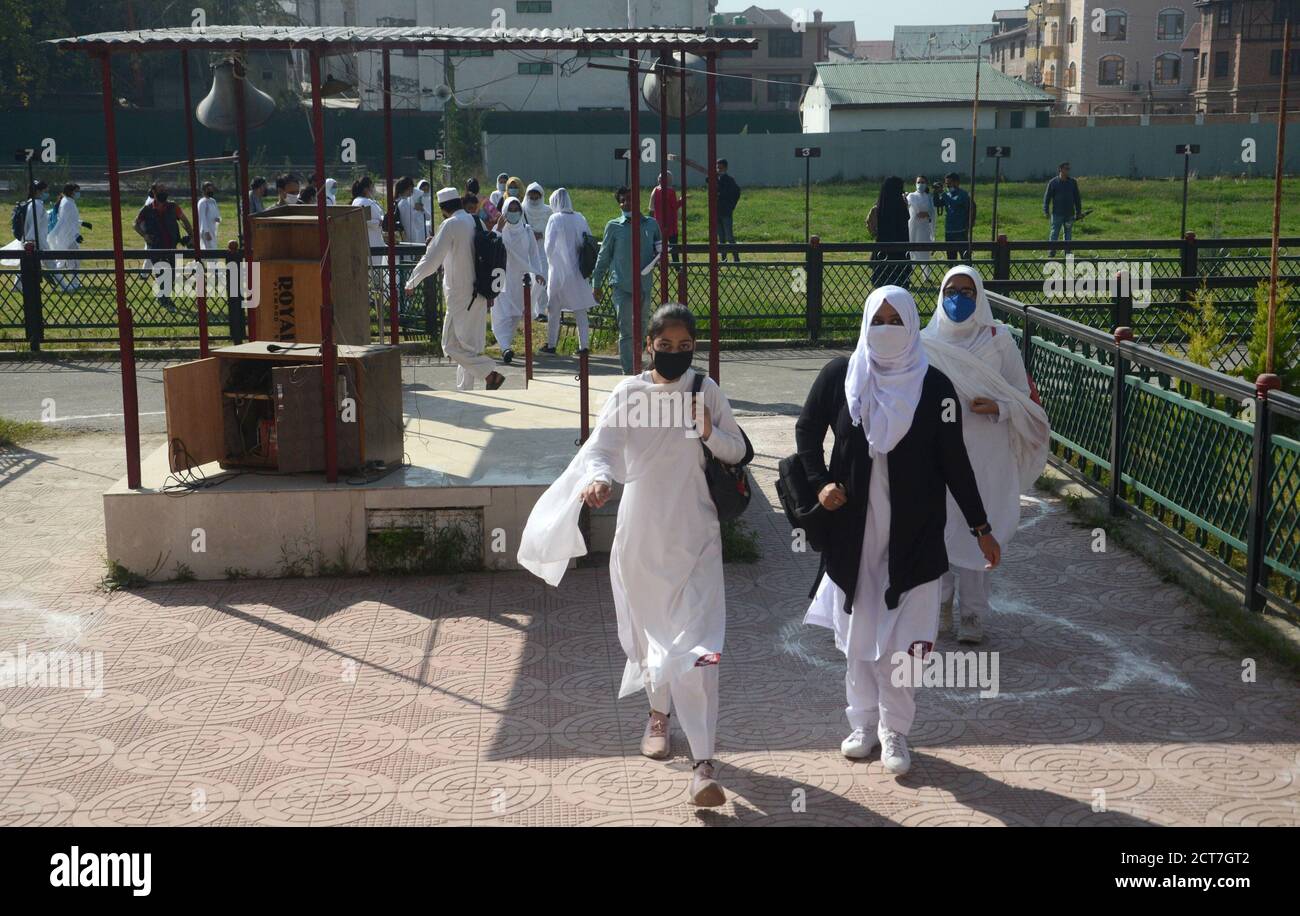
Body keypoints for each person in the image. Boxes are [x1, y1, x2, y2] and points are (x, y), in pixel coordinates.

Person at [518, 303, 749, 807]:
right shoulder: (628, 392)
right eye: (664, 346)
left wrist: (709, 430)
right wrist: (598, 481)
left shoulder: (703, 389)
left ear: (695, 346)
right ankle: (658, 717)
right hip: (641, 539)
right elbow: (601, 448)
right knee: (648, 639)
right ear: (647, 345)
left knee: (699, 647)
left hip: (697, 538)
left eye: (684, 346)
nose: (673, 354)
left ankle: (704, 762)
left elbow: (738, 451)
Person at [796, 285, 1000, 776]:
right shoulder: (841, 377)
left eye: (896, 319)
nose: (887, 328)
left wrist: (981, 527)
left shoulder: (934, 388)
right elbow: (806, 429)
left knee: (906, 642)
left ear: (911, 324)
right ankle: (862, 723)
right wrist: (821, 483)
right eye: (878, 319)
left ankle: (895, 731)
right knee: (860, 634)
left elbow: (956, 463)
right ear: (866, 322)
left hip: (915, 536)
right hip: (854, 535)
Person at [920, 266, 1050, 643]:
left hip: (986, 453)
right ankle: (939, 605)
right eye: (951, 290)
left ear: (979, 298)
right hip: (937, 454)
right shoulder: (925, 342)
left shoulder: (998, 340)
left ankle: (973, 615)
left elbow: (1023, 399)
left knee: (978, 530)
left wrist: (997, 407)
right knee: (939, 529)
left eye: (966, 291)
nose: (958, 298)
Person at [403, 187, 505, 391]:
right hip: (480, 292)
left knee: (450, 345)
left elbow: (432, 259)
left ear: (443, 209)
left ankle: (489, 374)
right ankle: (466, 389)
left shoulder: (450, 225)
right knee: (469, 347)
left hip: (460, 295)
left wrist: (412, 281)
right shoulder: (476, 221)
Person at [592, 186, 662, 374]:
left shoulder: (651, 224)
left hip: (644, 286)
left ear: (638, 200)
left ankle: (638, 367)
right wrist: (596, 283)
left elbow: (660, 249)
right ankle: (629, 371)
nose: (626, 203)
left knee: (641, 329)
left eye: (629, 199)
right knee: (626, 331)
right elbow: (604, 256)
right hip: (621, 286)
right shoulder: (614, 226)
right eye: (622, 201)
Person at [540, 187, 596, 354]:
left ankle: (551, 344)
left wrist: (552, 263)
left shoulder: (554, 219)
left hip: (559, 272)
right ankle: (584, 345)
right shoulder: (580, 218)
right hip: (578, 270)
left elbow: (548, 247)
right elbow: (588, 240)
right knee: (580, 309)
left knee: (553, 308)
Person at [491, 196, 545, 365]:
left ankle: (506, 345)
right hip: (501, 276)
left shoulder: (527, 231)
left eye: (516, 209)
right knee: (501, 313)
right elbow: (491, 247)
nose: (513, 213)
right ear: (504, 211)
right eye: (510, 209)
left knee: (515, 314)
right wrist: (498, 229)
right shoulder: (499, 229)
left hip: (521, 279)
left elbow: (534, 255)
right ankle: (505, 347)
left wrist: (538, 272)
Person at [133, 183, 193, 314]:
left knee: (171, 273)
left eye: (165, 190)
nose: (164, 192)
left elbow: (184, 220)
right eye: (161, 190)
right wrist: (145, 235)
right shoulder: (147, 209)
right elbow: (135, 224)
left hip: (171, 246)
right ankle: (165, 299)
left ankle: (162, 297)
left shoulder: (173, 207)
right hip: (156, 247)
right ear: (154, 192)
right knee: (162, 273)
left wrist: (191, 235)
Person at [867, 176, 912, 289]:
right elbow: (906, 219)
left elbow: (872, 228)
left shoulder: (881, 205)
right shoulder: (899, 204)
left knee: (883, 278)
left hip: (883, 247)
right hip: (900, 247)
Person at [48, 183, 89, 290]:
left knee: (69, 260)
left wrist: (82, 223)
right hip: (68, 236)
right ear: (71, 192)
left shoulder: (68, 202)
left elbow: (71, 220)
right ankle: (63, 280)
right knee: (71, 261)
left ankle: (67, 281)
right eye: (77, 191)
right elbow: (66, 222)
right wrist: (76, 235)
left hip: (67, 235)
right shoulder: (68, 203)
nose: (78, 193)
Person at [522, 182, 553, 320]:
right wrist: (530, 234)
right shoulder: (522, 210)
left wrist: (542, 235)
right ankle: (529, 308)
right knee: (530, 279)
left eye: (536, 197)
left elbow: (553, 230)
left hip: (543, 250)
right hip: (527, 250)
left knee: (543, 278)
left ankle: (541, 309)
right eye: (531, 197)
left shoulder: (548, 211)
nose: (534, 200)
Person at [1044, 161, 1083, 258]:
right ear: (1060, 169)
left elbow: (1077, 198)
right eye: (1066, 169)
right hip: (1057, 213)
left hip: (1069, 214)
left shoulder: (1073, 182)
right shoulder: (1053, 183)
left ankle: (1068, 252)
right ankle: (1052, 252)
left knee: (1068, 233)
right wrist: (1046, 210)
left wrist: (1078, 212)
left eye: (1069, 169)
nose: (1068, 171)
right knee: (1054, 233)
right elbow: (1047, 197)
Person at [936, 173, 973, 262]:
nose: (947, 186)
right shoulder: (947, 194)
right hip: (949, 231)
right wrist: (935, 193)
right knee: (951, 257)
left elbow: (954, 203)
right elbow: (937, 203)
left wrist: (943, 194)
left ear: (957, 183)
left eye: (949, 183)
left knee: (965, 256)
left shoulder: (963, 194)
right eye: (946, 184)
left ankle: (967, 273)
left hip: (960, 231)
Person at [906, 176, 936, 282]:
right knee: (911, 251)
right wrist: (920, 212)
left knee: (925, 251)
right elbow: (914, 208)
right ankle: (908, 276)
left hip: (924, 228)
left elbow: (932, 212)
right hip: (913, 227)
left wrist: (927, 214)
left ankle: (926, 276)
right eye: (918, 182)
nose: (920, 184)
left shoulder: (929, 197)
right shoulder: (911, 196)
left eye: (923, 182)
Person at [351, 176, 386, 266]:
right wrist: (379, 222)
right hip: (372, 240)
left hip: (368, 239)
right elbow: (364, 220)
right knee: (374, 268)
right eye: (372, 186)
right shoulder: (365, 202)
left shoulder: (358, 200)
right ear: (366, 189)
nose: (373, 189)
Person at [650, 170, 680, 267]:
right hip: (670, 222)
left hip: (658, 221)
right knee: (673, 245)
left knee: (660, 246)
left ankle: (660, 264)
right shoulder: (670, 191)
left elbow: (651, 207)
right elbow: (674, 206)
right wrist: (682, 200)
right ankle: (676, 265)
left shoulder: (655, 190)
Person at [715, 158, 741, 263]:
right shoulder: (716, 179)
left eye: (720, 167)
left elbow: (737, 192)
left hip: (726, 212)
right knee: (721, 238)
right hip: (717, 212)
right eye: (717, 167)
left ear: (725, 168)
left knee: (729, 237)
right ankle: (724, 259)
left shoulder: (729, 180)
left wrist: (731, 206)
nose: (719, 169)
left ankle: (736, 258)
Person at [395, 176, 427, 245]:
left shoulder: (398, 201)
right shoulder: (404, 203)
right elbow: (408, 226)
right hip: (408, 242)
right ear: (409, 188)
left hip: (404, 240)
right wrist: (413, 242)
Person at [197, 181, 221, 251]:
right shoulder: (202, 202)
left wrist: (218, 219)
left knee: (214, 248)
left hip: (213, 229)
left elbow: (217, 214)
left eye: (211, 189)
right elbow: (202, 218)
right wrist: (206, 232)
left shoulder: (213, 201)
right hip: (206, 231)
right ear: (204, 190)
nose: (210, 191)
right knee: (210, 250)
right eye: (208, 189)